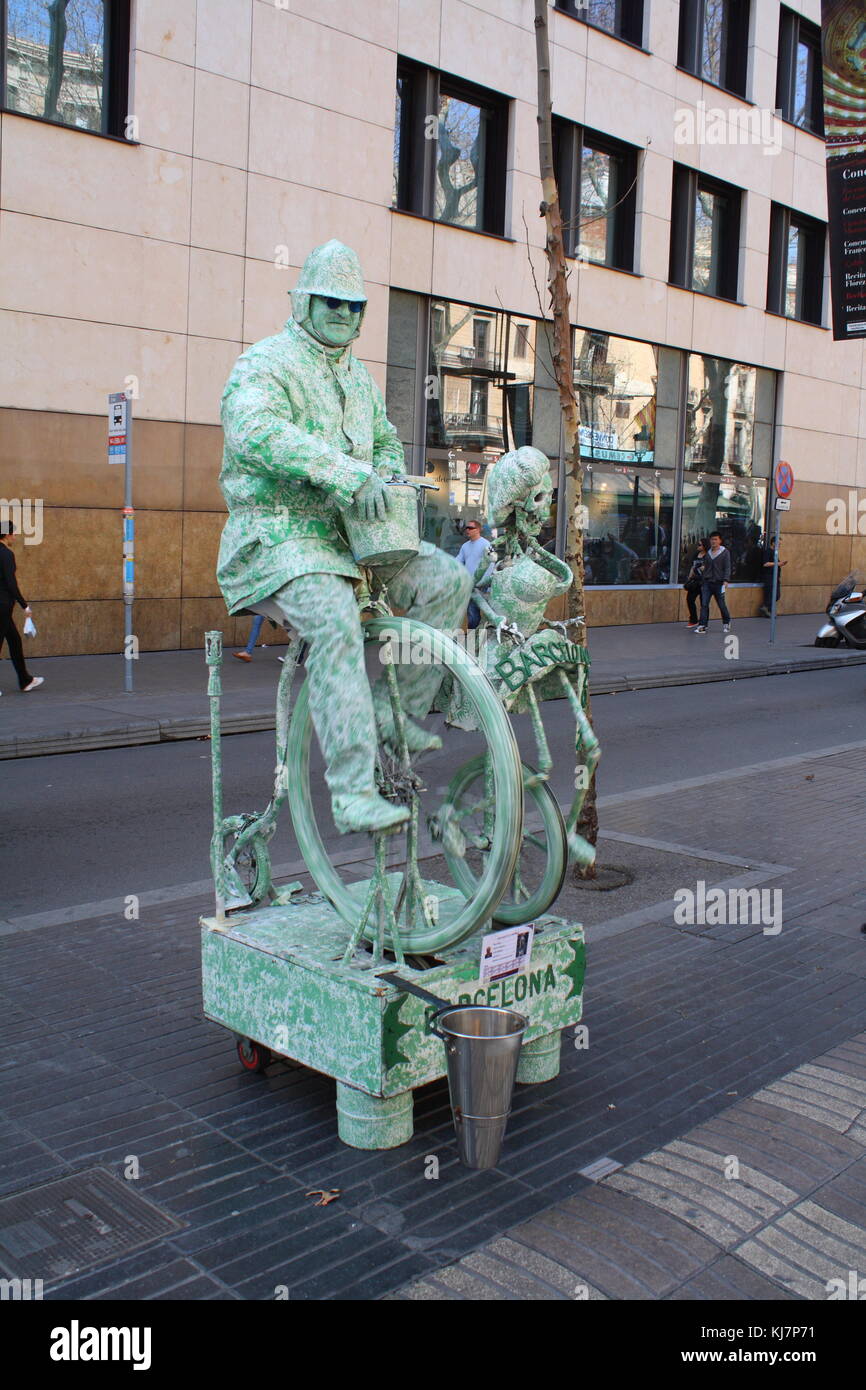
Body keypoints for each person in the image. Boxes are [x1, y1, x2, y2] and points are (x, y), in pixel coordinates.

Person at [217, 239, 471, 835]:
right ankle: (351, 791)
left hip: (352, 540)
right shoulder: (265, 362)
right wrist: (343, 471)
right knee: (333, 619)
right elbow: (251, 430)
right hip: (277, 537)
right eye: (332, 302)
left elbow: (382, 440)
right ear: (304, 300)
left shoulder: (358, 380)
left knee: (447, 580)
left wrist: (384, 474)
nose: (345, 315)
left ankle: (394, 708)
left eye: (356, 306)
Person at [0, 523, 44, 693]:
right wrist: (24, 605)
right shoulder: (6, 554)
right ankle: (25, 680)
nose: (15, 537)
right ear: (7, 535)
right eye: (14, 534)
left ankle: (25, 680)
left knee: (15, 641)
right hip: (3, 605)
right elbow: (11, 583)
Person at [456, 519, 493, 629]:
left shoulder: (486, 544)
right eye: (467, 528)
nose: (468, 530)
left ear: (478, 530)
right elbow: (458, 560)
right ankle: (473, 637)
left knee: (487, 613)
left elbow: (491, 563)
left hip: (483, 584)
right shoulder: (465, 546)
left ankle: (481, 637)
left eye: (471, 528)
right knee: (472, 612)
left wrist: (483, 582)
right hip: (470, 584)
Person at [694, 530, 731, 634]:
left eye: (715, 539)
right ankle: (702, 625)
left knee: (721, 604)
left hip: (719, 582)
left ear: (720, 541)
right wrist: (703, 569)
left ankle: (726, 622)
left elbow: (727, 567)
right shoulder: (708, 552)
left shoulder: (725, 552)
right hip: (707, 582)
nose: (713, 541)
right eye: (712, 539)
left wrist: (726, 580)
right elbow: (707, 565)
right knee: (704, 604)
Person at [759, 535, 786, 616]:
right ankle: (765, 607)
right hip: (769, 576)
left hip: (775, 577)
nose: (780, 546)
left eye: (780, 544)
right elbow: (765, 563)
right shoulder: (768, 551)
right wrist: (778, 563)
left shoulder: (775, 552)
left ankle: (768, 611)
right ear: (773, 543)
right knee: (773, 594)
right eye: (778, 544)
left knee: (775, 595)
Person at [683, 539, 707, 627]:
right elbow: (692, 566)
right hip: (695, 581)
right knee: (690, 599)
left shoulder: (708, 556)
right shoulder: (696, 554)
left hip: (704, 582)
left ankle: (703, 622)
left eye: (699, 545)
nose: (698, 546)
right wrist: (689, 577)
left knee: (703, 603)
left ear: (704, 546)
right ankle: (693, 619)